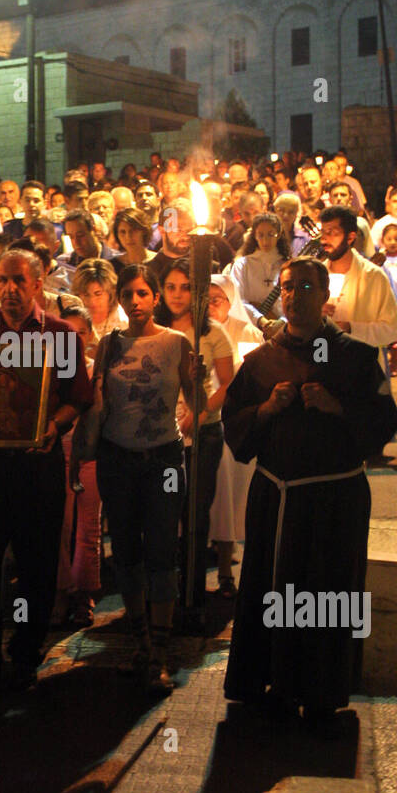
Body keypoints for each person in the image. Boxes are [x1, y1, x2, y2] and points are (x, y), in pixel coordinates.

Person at [222, 257, 397, 729]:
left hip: (333, 499)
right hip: (276, 497)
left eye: (305, 287)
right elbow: (234, 423)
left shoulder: (357, 358)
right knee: (271, 590)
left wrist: (336, 406)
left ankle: (322, 690)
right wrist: (265, 409)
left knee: (328, 593)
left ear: (325, 296)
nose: (295, 296)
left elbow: (385, 422)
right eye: (287, 287)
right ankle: (271, 683)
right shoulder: (261, 361)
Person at [0, 249, 93, 694]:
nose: (10, 289)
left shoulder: (63, 337)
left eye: (18, 280)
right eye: (2, 281)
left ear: (38, 284)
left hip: (38, 466)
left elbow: (78, 397)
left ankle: (27, 654)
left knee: (36, 566)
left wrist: (55, 423)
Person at [93, 264, 196, 691]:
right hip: (117, 459)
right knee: (126, 552)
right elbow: (99, 399)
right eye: (127, 294)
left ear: (155, 298)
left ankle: (161, 652)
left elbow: (197, 401)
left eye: (142, 293)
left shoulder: (177, 343)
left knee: (161, 551)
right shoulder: (108, 345)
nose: (134, 301)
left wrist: (199, 378)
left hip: (164, 462)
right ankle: (139, 644)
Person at [160, 259, 234, 622]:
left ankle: (192, 589)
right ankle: (164, 589)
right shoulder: (155, 329)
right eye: (170, 287)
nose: (177, 295)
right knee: (166, 508)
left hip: (203, 433)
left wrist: (199, 415)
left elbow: (227, 383)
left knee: (195, 510)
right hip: (162, 435)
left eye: (185, 287)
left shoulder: (213, 333)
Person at [206, 275, 262, 597]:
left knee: (226, 496)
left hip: (230, 423)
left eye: (219, 299)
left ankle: (226, 564)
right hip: (198, 418)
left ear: (230, 301)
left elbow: (251, 379)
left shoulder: (246, 332)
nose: (212, 305)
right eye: (208, 298)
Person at [53, 300, 101, 629]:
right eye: (70, 332)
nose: (76, 338)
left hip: (92, 454)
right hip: (59, 450)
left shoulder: (97, 368)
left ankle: (85, 593)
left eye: (81, 332)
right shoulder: (49, 367)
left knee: (89, 528)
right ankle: (59, 593)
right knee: (59, 525)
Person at [317, 206, 397, 368]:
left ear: (350, 237)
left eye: (333, 233)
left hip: (363, 369)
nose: (325, 239)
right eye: (323, 232)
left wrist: (351, 328)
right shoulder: (318, 275)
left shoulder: (373, 276)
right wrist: (316, 314)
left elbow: (393, 329)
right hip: (325, 364)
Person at [230, 213, 291, 325]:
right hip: (250, 327)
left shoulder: (288, 266)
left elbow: (294, 302)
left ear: (279, 234)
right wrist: (260, 320)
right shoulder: (242, 265)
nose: (265, 241)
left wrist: (282, 322)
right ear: (254, 236)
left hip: (282, 328)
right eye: (260, 235)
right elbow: (237, 300)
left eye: (270, 234)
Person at [72, 257, 126, 357]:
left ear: (110, 292)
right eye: (86, 294)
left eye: (98, 294)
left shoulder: (122, 322)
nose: (92, 301)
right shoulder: (72, 317)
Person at [273, 191, 311, 257]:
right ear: (275, 211)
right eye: (281, 210)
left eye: (291, 212)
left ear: (296, 214)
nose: (285, 215)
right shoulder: (267, 236)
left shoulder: (304, 239)